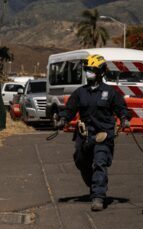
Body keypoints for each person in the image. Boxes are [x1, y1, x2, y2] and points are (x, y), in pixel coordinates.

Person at [56, 54, 130, 211]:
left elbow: (122, 109)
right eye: (87, 69)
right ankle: (96, 183)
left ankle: (98, 196)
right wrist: (63, 119)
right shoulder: (80, 92)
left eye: (92, 70)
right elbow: (69, 110)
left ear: (101, 72)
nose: (89, 72)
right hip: (84, 136)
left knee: (99, 163)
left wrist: (124, 118)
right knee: (81, 161)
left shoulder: (110, 92)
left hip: (103, 135)